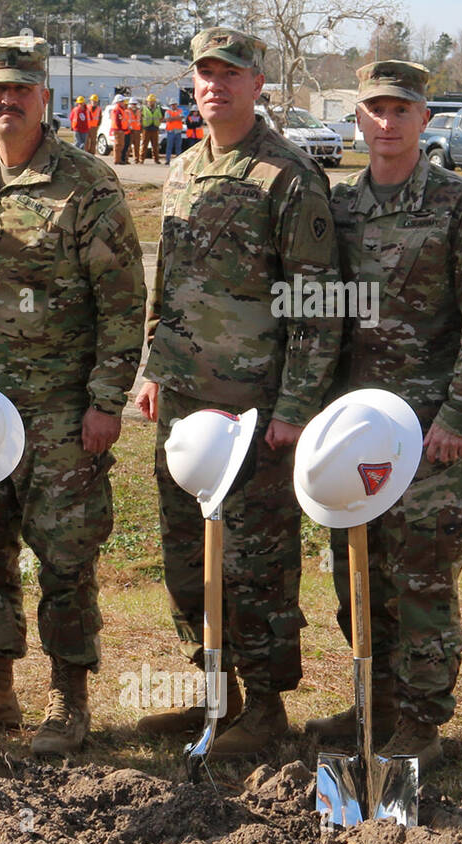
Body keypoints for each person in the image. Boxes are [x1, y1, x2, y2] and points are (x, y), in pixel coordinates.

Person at [0, 36, 146, 756]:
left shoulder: (88, 186)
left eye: (21, 89)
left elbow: (123, 305)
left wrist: (106, 401)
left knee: (65, 558)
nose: (7, 100)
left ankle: (68, 698)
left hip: (60, 416)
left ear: (44, 97)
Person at [307, 61, 462, 769]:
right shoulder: (339, 209)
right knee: (356, 575)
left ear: (425, 119)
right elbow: (319, 314)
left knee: (422, 580)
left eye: (402, 109)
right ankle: (377, 701)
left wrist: (459, 416)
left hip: (430, 435)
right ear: (357, 119)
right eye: (374, 109)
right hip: (352, 433)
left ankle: (422, 722)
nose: (387, 122)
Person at [134, 27, 343, 755]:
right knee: (187, 556)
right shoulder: (185, 166)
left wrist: (293, 409)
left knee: (255, 562)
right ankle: (214, 694)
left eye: (232, 74)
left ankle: (264, 708)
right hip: (184, 404)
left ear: (259, 85)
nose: (215, 85)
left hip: (255, 411)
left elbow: (317, 308)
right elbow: (170, 283)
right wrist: (156, 369)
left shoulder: (288, 177)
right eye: (205, 74)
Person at [141, 93, 163, 163]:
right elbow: (140, 118)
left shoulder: (158, 108)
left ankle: (156, 159)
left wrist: (159, 123)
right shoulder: (143, 108)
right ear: (147, 102)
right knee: (144, 145)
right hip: (146, 129)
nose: (151, 102)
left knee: (155, 145)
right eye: (150, 101)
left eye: (152, 101)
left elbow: (162, 117)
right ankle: (141, 159)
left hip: (155, 129)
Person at [110, 94, 129, 164]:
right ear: (118, 102)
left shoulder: (121, 109)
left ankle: (119, 159)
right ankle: (117, 160)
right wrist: (121, 128)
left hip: (121, 130)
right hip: (118, 130)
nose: (123, 102)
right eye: (122, 101)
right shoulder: (117, 110)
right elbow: (117, 120)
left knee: (121, 145)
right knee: (118, 145)